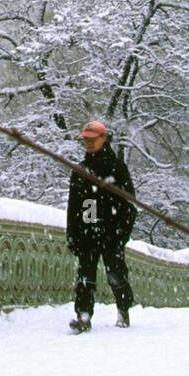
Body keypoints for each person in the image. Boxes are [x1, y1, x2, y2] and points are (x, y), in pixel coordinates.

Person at [66, 119, 137, 332]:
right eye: (85, 140)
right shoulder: (81, 170)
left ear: (103, 139)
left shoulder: (117, 167)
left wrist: (121, 232)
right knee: (85, 277)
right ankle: (83, 316)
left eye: (92, 139)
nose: (88, 143)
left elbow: (129, 204)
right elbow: (74, 206)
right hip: (87, 232)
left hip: (112, 233)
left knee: (116, 274)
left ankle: (123, 310)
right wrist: (73, 234)